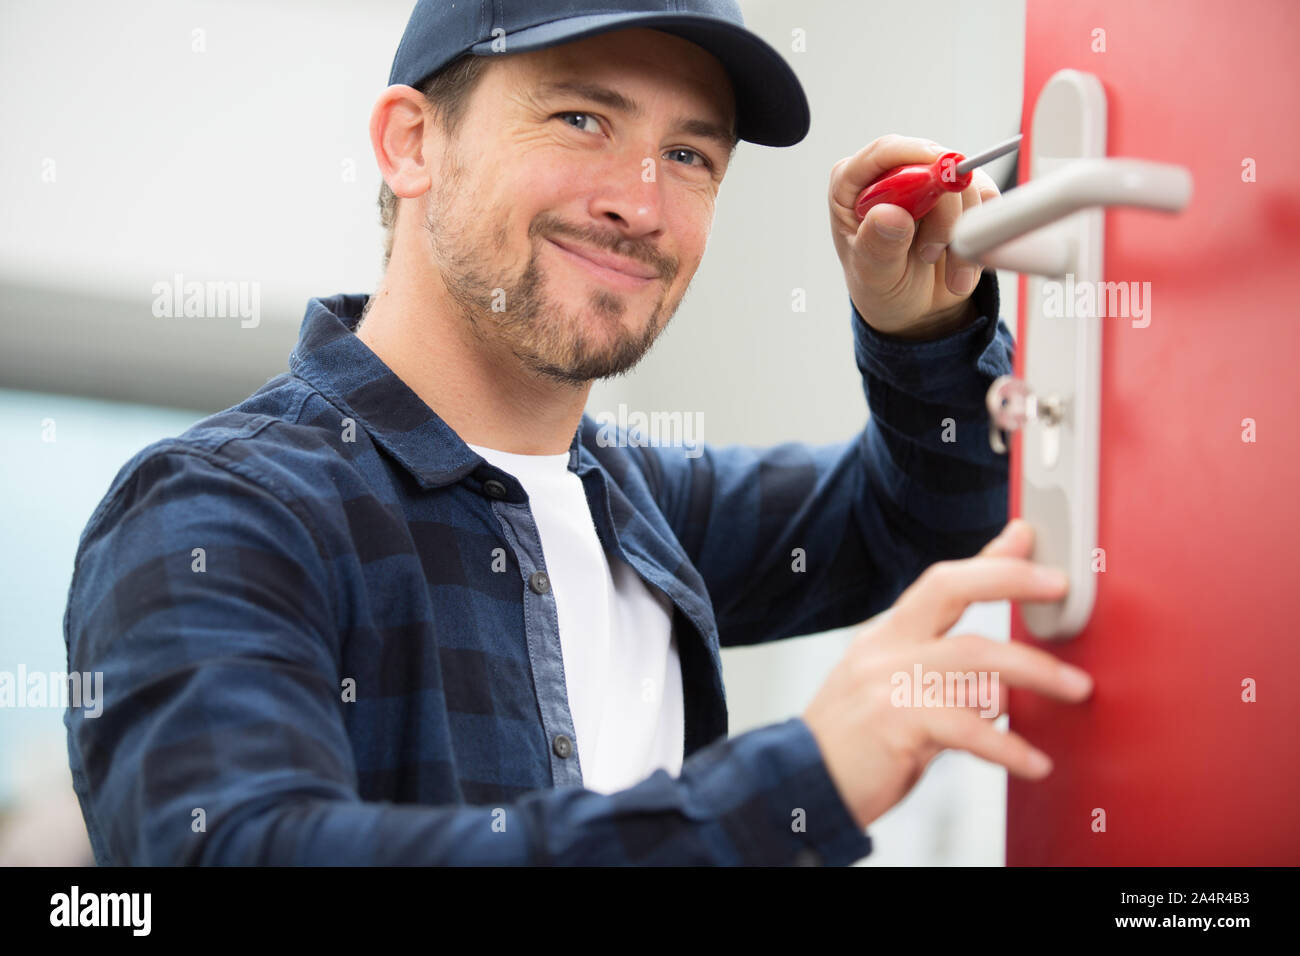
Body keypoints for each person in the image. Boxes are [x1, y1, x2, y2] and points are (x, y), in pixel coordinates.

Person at [63, 0, 1092, 866]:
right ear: (411, 143)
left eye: (688, 153)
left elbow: (920, 515)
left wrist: (918, 327)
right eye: (580, 120)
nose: (641, 204)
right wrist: (792, 783)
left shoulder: (637, 503)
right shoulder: (215, 511)